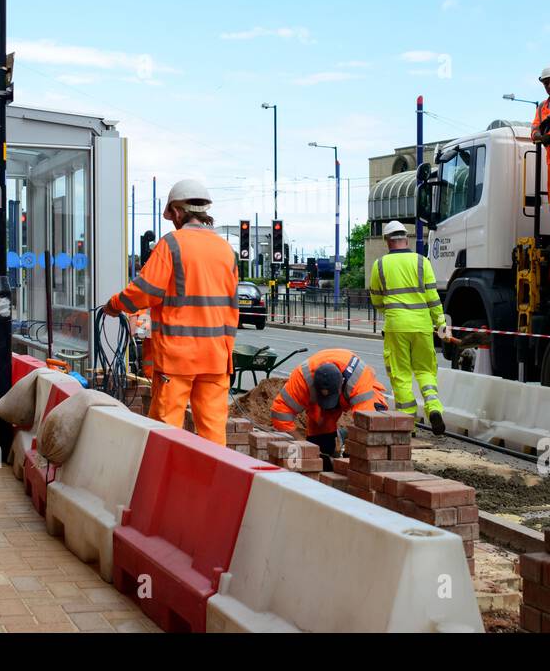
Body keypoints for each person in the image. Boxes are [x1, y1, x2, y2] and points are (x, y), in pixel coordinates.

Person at [104, 179, 239, 446]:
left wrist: (114, 304)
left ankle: (164, 485)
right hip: (216, 358)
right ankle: (212, 485)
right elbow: (232, 307)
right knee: (213, 436)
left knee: (165, 432)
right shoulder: (226, 250)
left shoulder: (172, 244)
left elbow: (145, 292)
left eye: (172, 215)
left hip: (178, 359)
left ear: (177, 212)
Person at [369, 220, 448, 436]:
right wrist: (441, 324)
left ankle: (408, 425)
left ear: (387, 241)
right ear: (406, 238)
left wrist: (389, 310)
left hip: (396, 326)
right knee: (425, 371)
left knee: (401, 374)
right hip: (422, 326)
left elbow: (376, 299)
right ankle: (433, 408)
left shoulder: (380, 265)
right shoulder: (422, 262)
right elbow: (433, 296)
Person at [269, 349, 388, 468]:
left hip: (359, 391)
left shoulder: (359, 383)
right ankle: (327, 456)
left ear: (341, 384)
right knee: (320, 431)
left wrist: (351, 453)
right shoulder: (302, 379)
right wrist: (301, 443)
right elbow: (280, 412)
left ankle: (344, 436)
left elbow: (367, 425)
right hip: (319, 392)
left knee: (374, 425)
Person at [530, 65, 550, 218]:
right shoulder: (542, 106)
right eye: (546, 83)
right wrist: (539, 136)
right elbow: (534, 128)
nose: (549, 86)